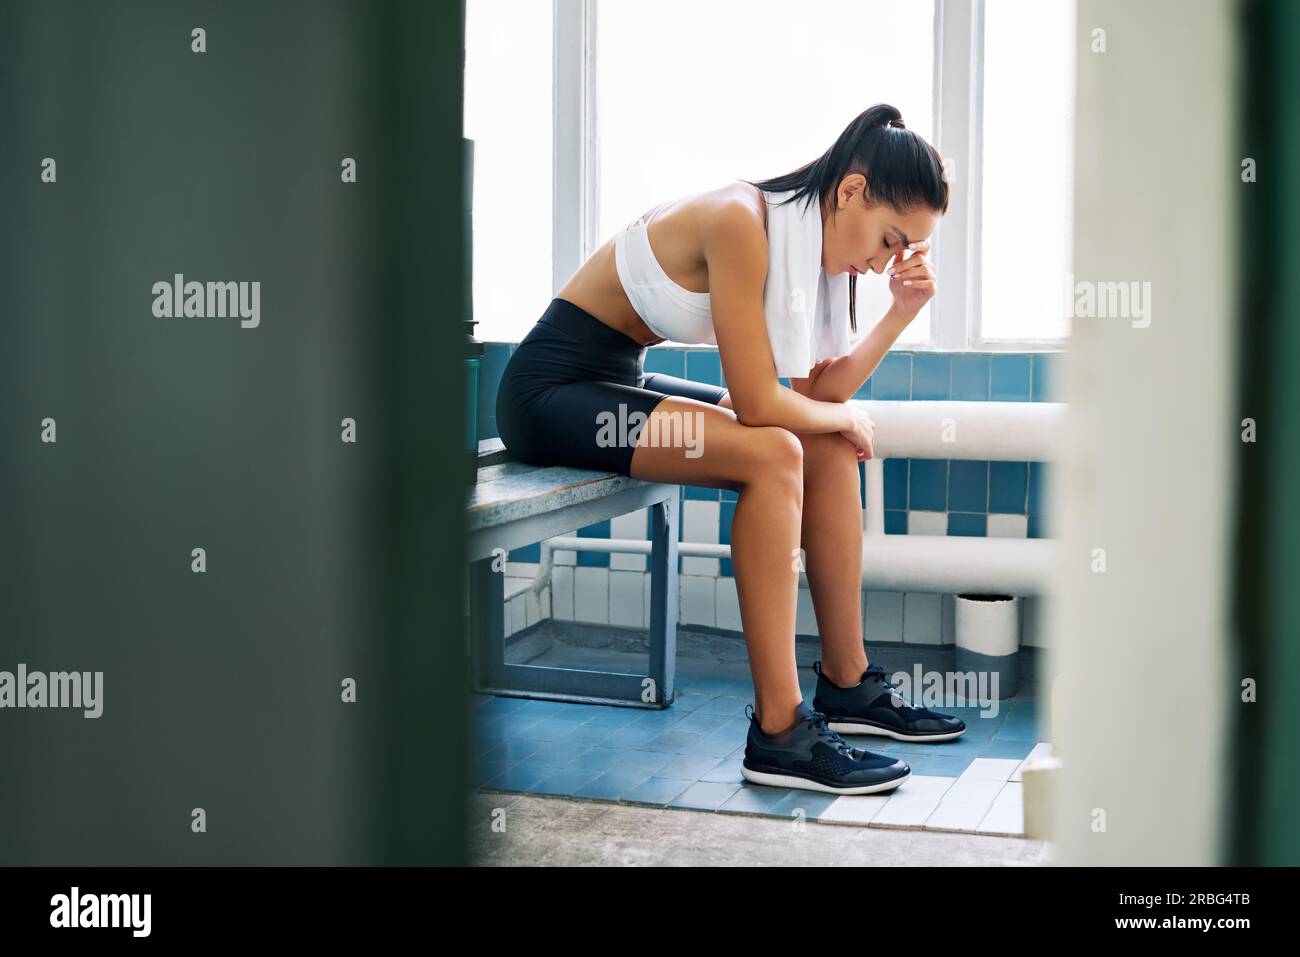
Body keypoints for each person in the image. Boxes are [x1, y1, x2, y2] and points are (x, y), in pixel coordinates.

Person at [496, 103, 964, 795]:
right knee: (775, 453)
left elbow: (821, 392)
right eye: (891, 240)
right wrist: (840, 416)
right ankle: (780, 731)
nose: (886, 262)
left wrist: (899, 312)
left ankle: (848, 683)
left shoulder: (815, 246)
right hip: (550, 394)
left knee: (826, 446)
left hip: (616, 381)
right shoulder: (741, 221)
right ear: (851, 191)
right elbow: (758, 406)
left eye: (904, 251)